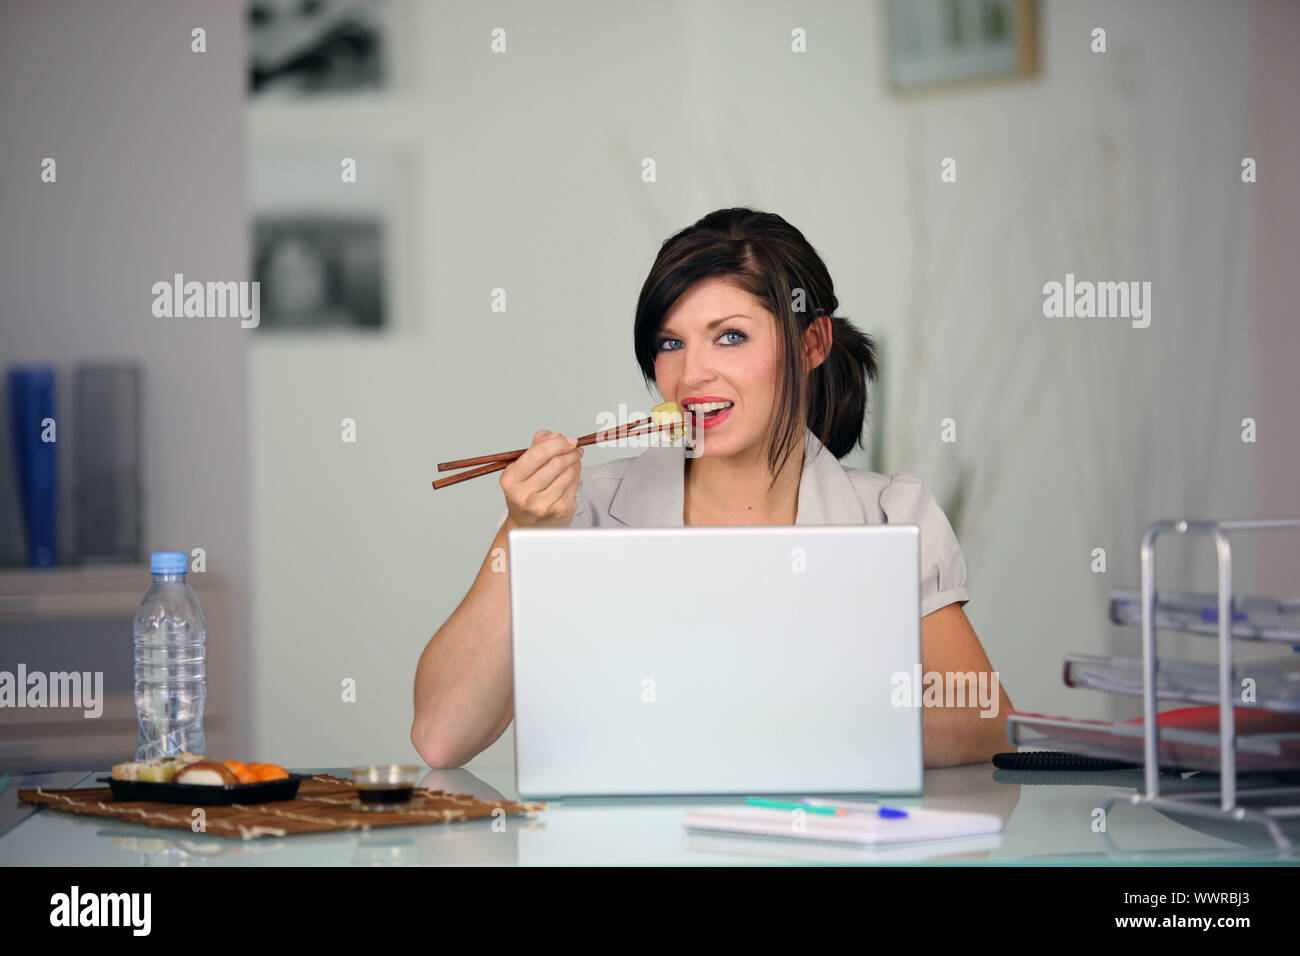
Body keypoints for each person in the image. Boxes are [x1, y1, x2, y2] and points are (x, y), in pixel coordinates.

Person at [412, 207, 1012, 769]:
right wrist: (523, 536)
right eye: (671, 343)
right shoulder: (578, 511)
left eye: (729, 336)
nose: (692, 374)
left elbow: (980, 721)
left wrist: (757, 719)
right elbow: (442, 736)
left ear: (812, 344)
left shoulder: (889, 515)